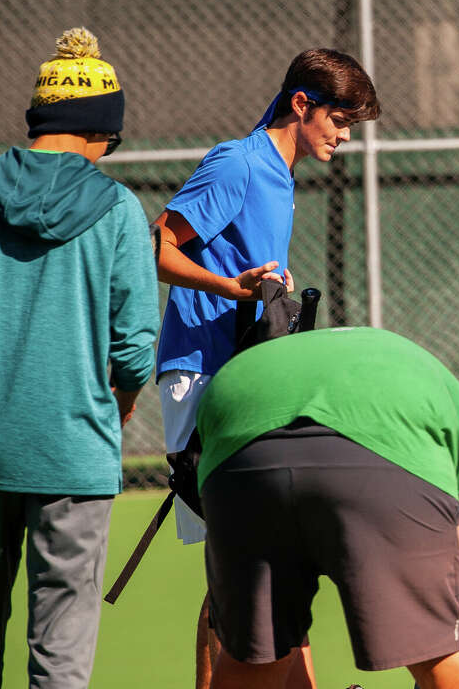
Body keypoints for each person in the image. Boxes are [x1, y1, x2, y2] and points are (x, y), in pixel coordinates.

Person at [151, 48, 380, 688]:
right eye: (338, 118)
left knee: (266, 560)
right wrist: (232, 289)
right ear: (301, 105)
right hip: (203, 373)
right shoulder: (240, 162)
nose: (343, 135)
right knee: (239, 565)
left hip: (245, 380)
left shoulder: (279, 175)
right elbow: (158, 247)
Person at [192, 326, 459, 689]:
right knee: (438, 652)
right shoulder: (457, 411)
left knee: (254, 659)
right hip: (385, 428)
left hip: (234, 416)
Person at [0, 28, 158, 689]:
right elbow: (135, 345)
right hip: (73, 456)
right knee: (59, 655)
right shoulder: (117, 208)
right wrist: (121, 401)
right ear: (97, 131)